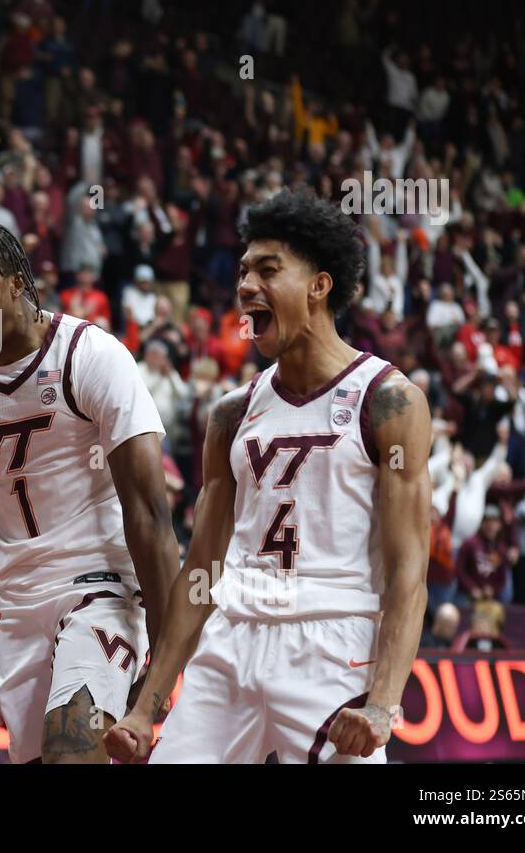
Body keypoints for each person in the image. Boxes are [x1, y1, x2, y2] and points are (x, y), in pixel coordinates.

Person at [108, 190, 432, 765]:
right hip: (231, 639)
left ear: (319, 285)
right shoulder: (232, 413)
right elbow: (202, 567)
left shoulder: (388, 400)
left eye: (267, 269)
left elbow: (409, 571)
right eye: (243, 271)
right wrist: (146, 707)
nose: (247, 285)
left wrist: (383, 703)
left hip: (332, 641)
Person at [0, 221, 180, 765]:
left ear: (17, 282)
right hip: (20, 603)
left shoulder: (93, 356)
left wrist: (164, 658)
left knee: (73, 750)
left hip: (103, 585)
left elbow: (151, 516)